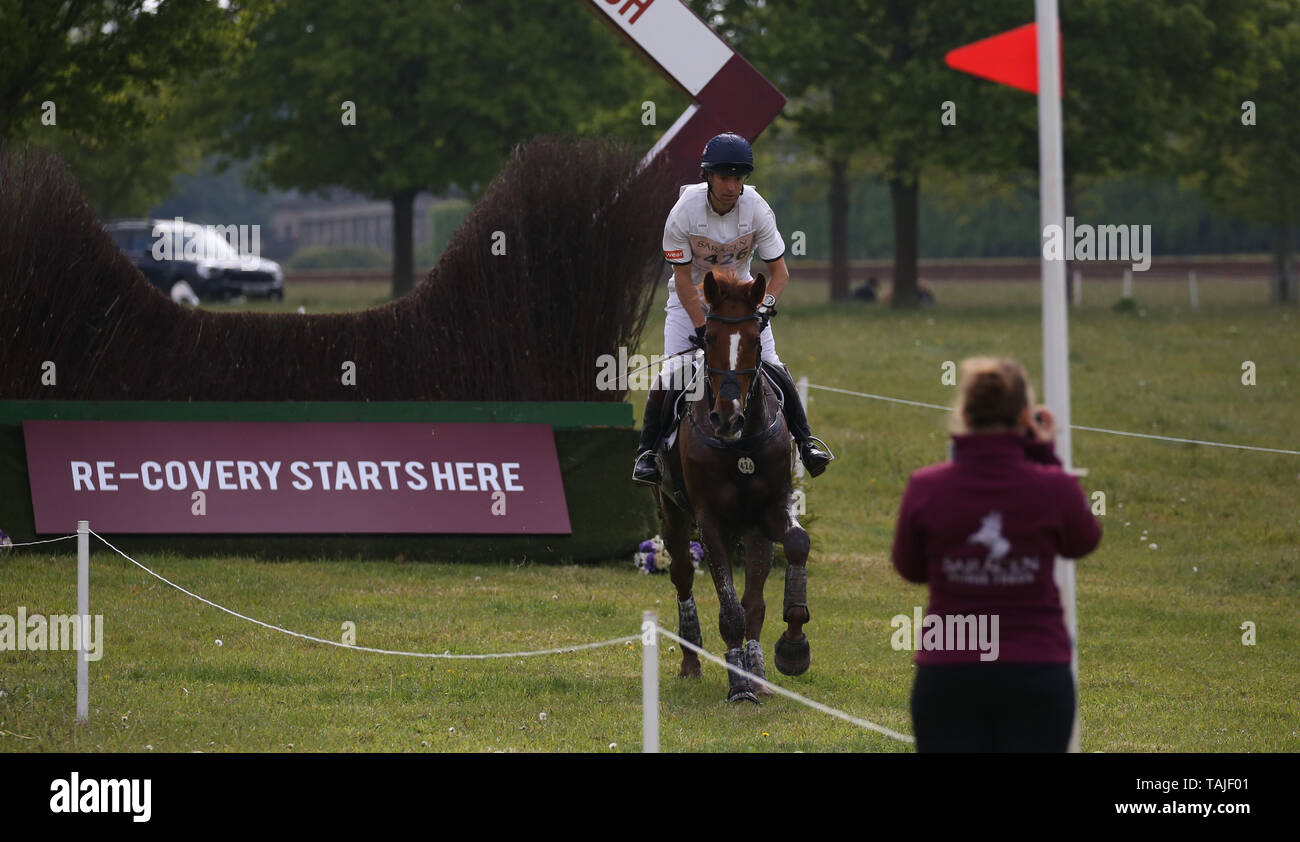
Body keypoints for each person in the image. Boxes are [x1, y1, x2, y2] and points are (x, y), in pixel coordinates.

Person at [891, 357, 1102, 752]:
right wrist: (1046, 456)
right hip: (1037, 670)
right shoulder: (1053, 487)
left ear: (965, 414)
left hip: (950, 671)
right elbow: (1083, 540)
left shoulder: (926, 487)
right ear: (1025, 416)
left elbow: (910, 567)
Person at [632, 132, 833, 485]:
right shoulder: (682, 213)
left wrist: (763, 308)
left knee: (772, 366)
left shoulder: (756, 209)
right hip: (690, 301)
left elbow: (779, 274)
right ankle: (647, 453)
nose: (731, 186)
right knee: (676, 372)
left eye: (738, 178)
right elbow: (681, 280)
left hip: (741, 304)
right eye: (724, 177)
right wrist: (699, 328)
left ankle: (806, 442)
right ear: (708, 176)